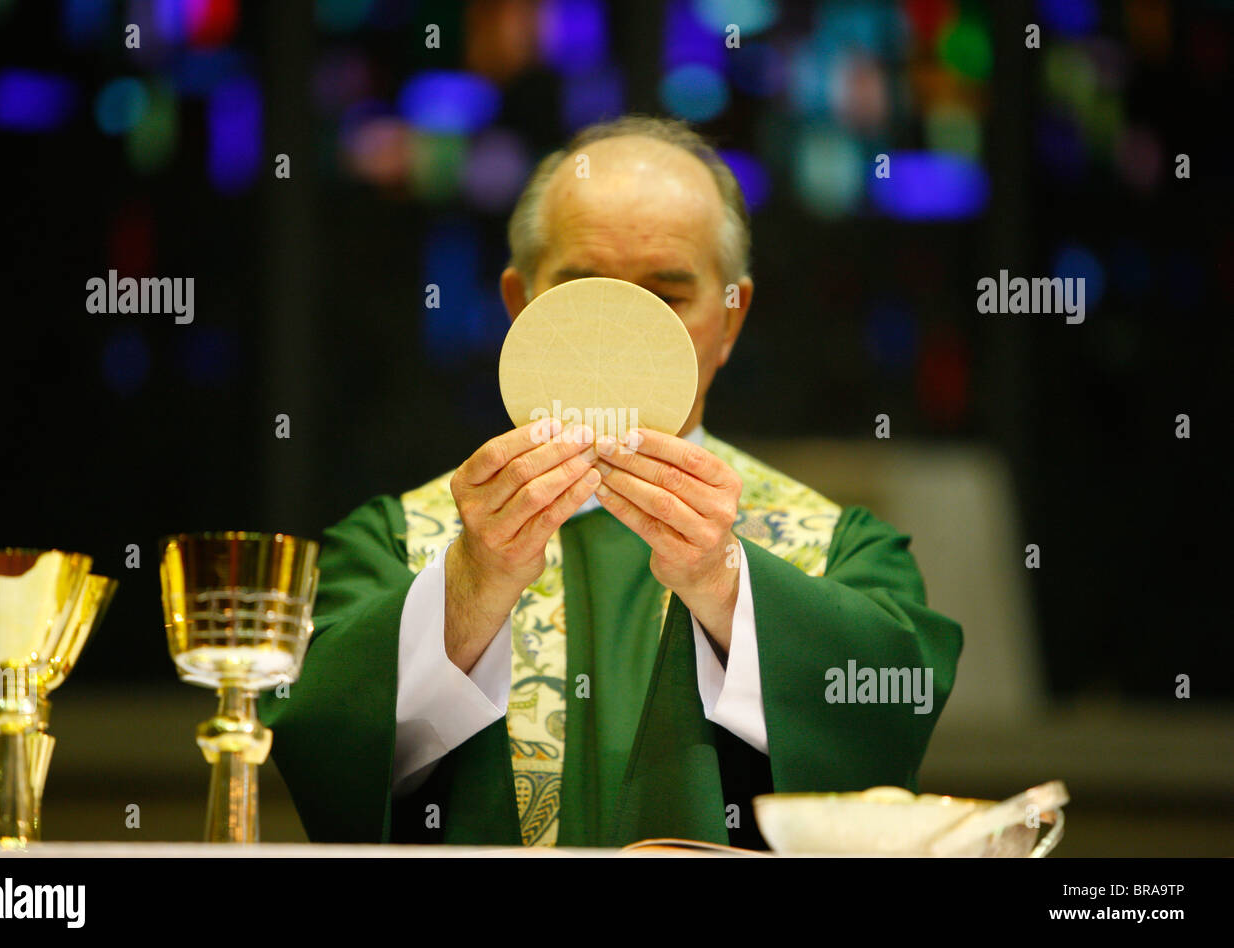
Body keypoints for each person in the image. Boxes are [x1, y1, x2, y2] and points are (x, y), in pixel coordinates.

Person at [258, 115, 963, 849]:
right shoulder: (398, 541)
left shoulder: (841, 552)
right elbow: (324, 733)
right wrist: (468, 585)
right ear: (518, 305)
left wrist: (728, 588)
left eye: (666, 296)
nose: (626, 337)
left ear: (731, 318)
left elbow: (887, 713)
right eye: (583, 293)